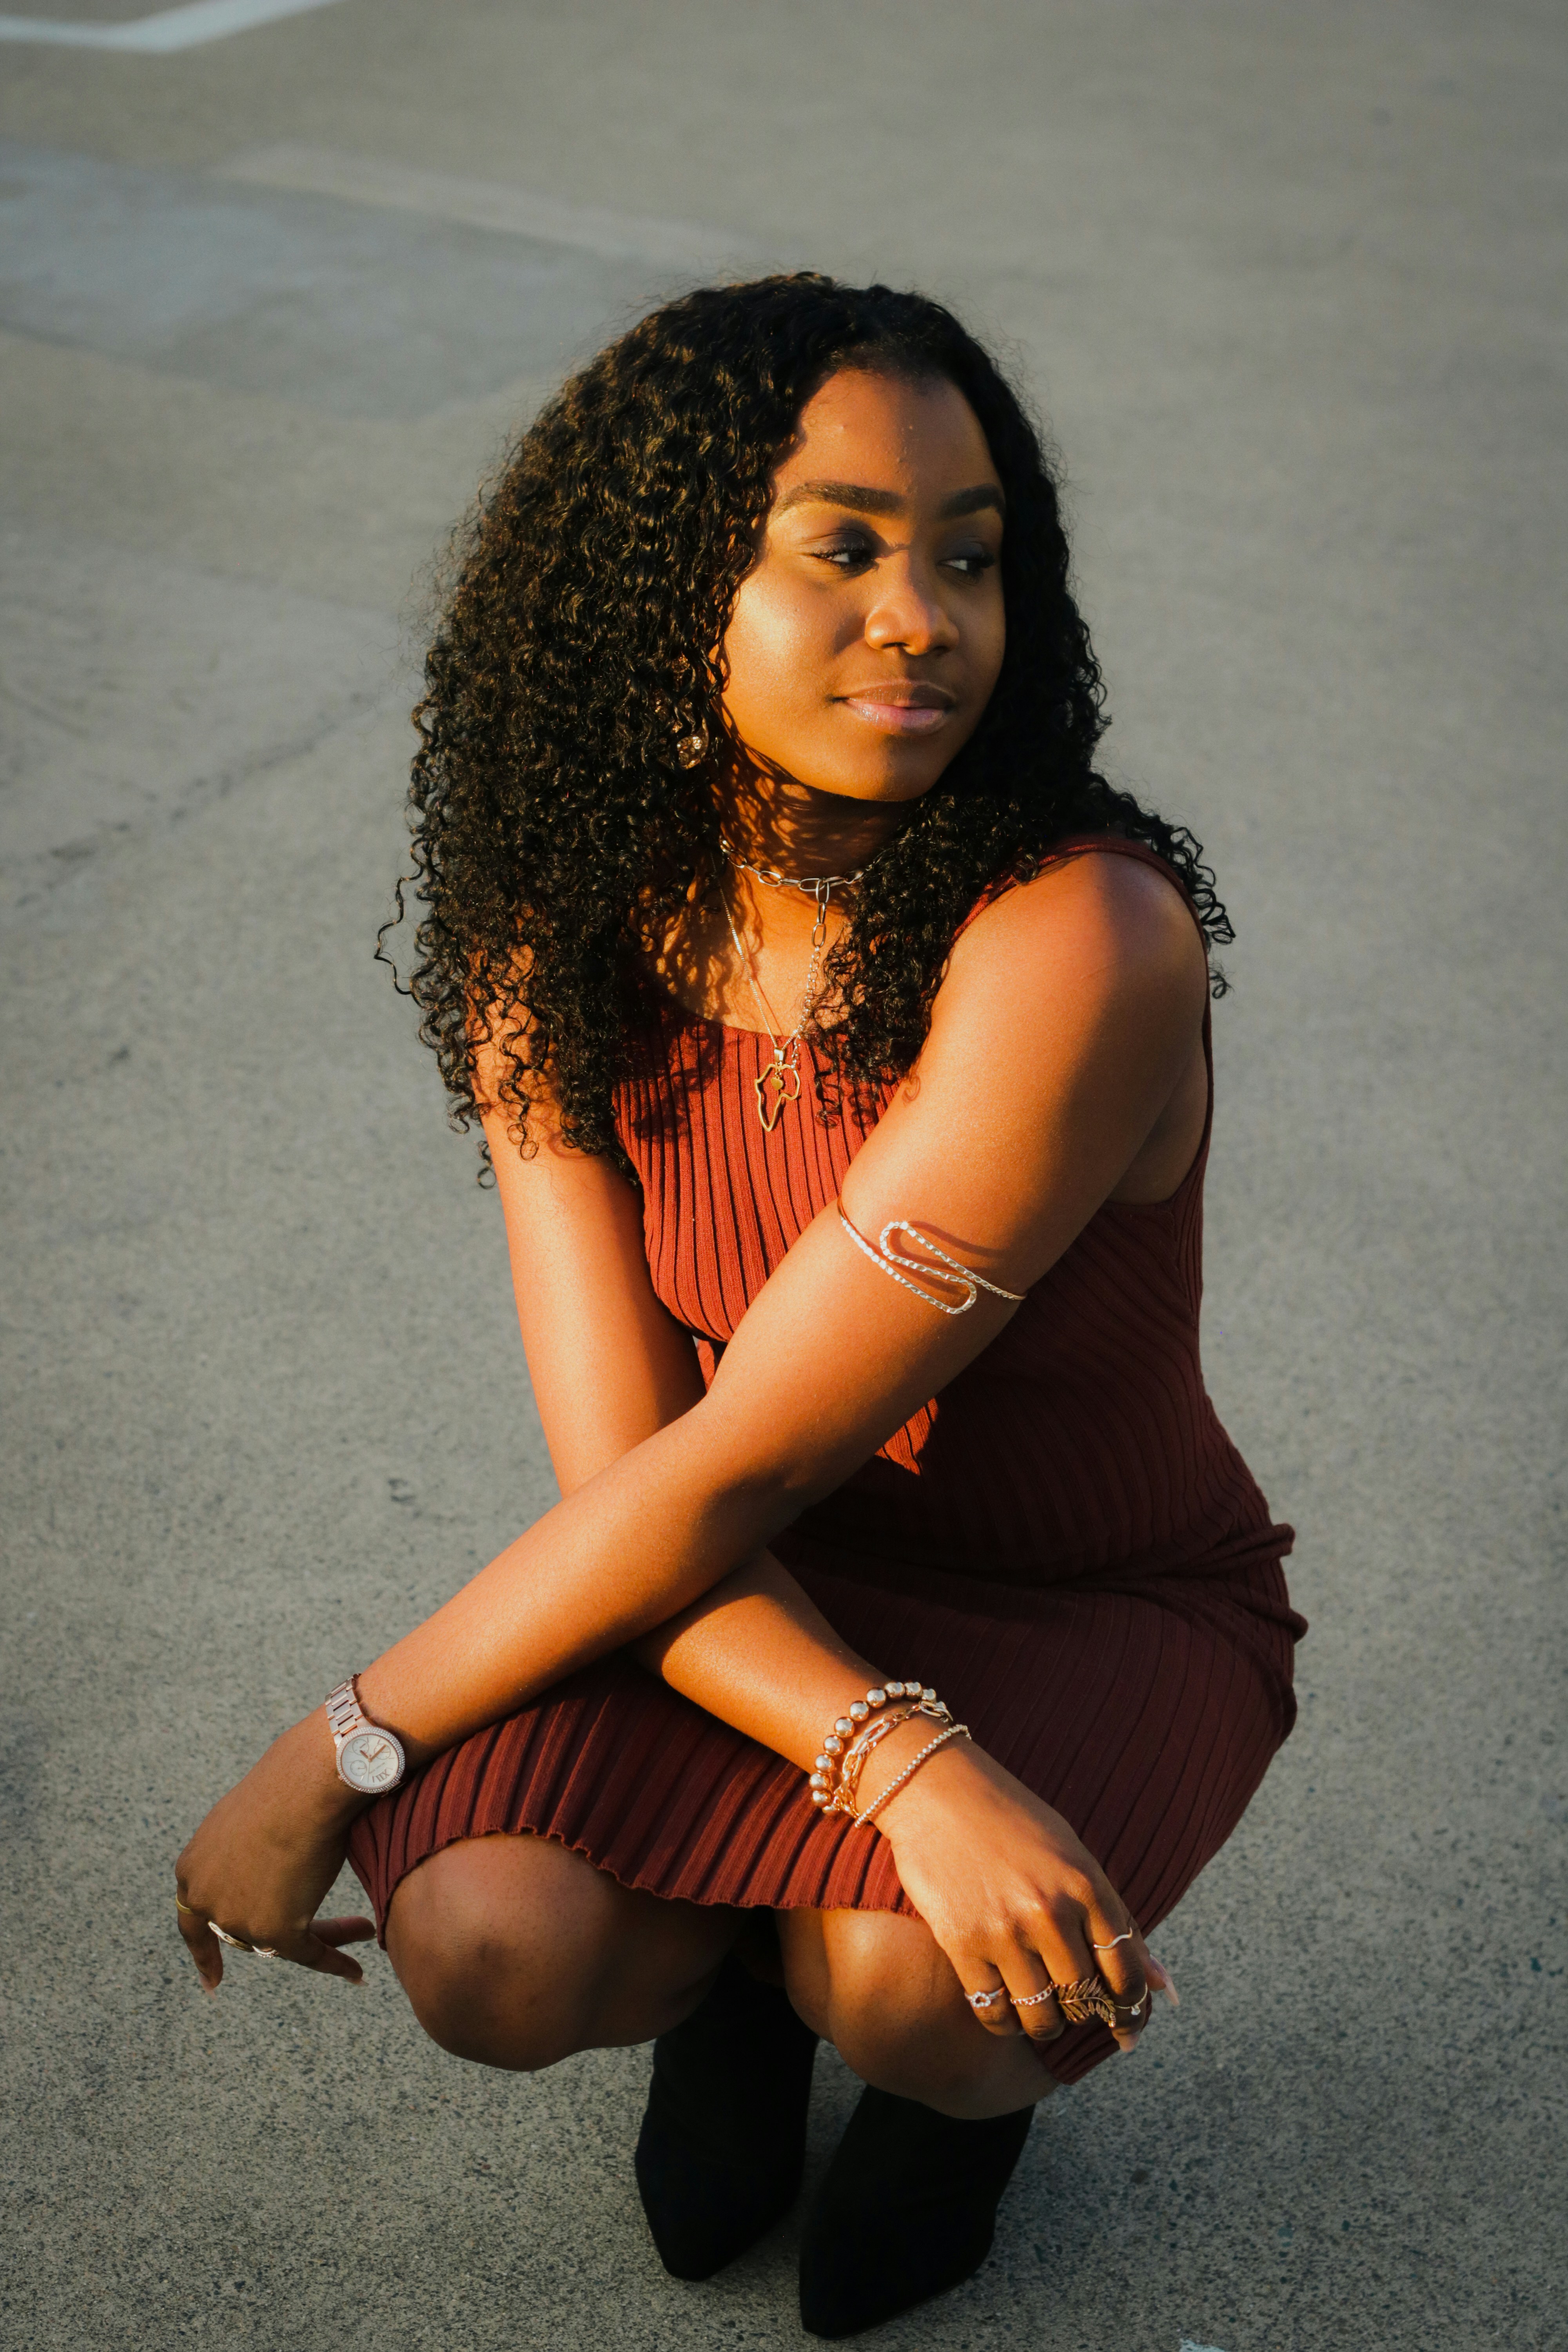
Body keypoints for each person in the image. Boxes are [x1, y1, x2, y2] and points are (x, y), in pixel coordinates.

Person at [175, 276, 1303, 2339]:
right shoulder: (562, 920)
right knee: (488, 1948)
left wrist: (320, 1757)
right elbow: (643, 1470)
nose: (923, 619)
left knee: (922, 1994)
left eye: (970, 556)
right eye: (841, 549)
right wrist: (884, 1759)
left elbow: (744, 1455)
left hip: (1085, 1592)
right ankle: (741, 1985)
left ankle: (924, 2087)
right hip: (726, 1572)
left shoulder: (1078, 940)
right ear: (659, 586)